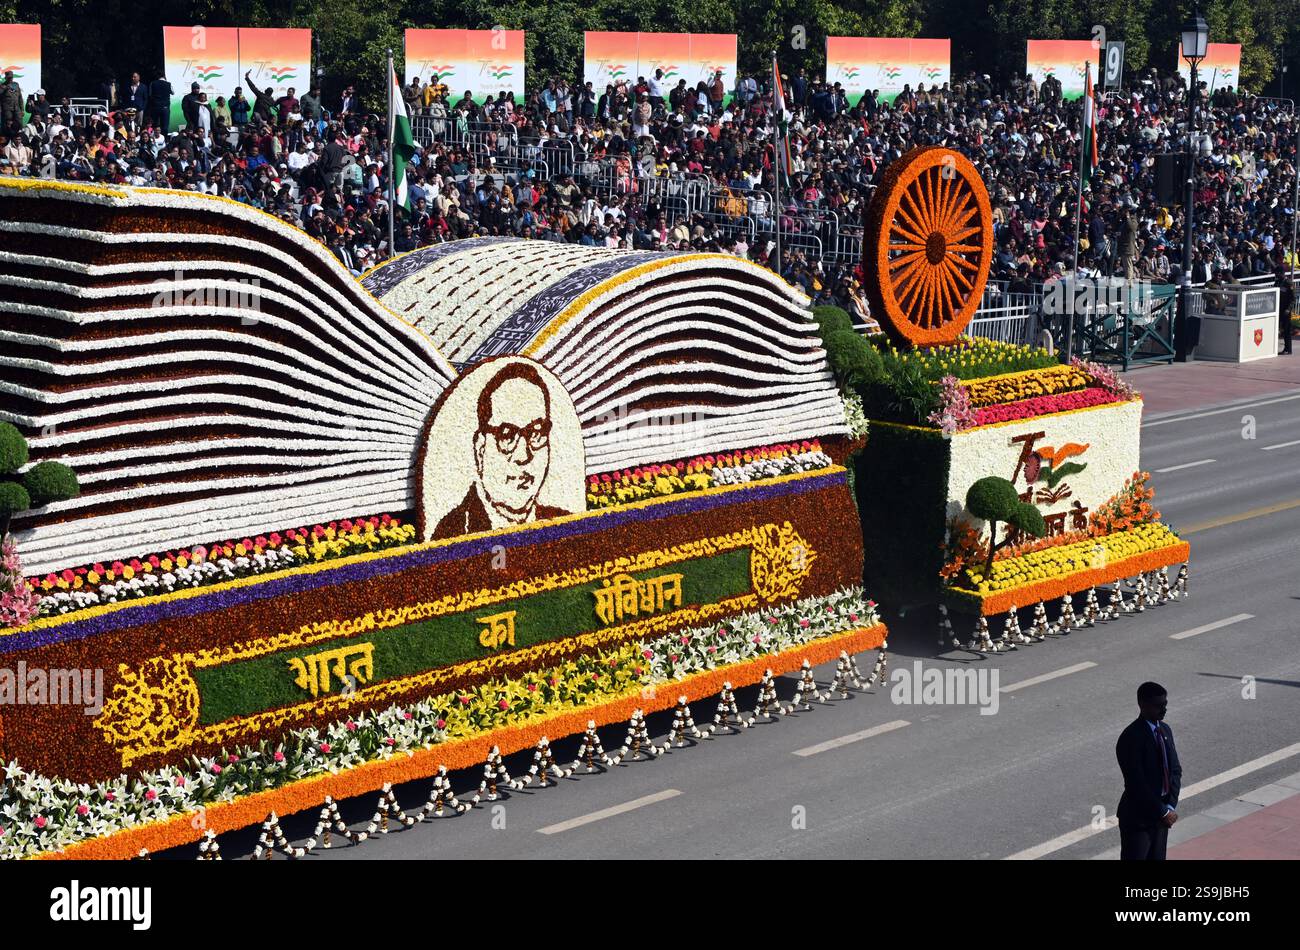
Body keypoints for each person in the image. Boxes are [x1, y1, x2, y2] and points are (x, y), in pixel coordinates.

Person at [433, 362, 570, 538]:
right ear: (480, 449)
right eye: (507, 436)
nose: (523, 456)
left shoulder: (564, 526)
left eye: (536, 433)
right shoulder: (452, 534)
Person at [1116, 682, 1182, 861]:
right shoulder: (1131, 737)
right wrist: (1162, 812)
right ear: (1142, 705)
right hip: (1139, 818)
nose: (1164, 709)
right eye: (1158, 705)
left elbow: (1175, 770)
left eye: (1165, 704)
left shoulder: (1165, 730)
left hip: (1160, 816)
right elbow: (1136, 783)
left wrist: (1170, 806)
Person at [1278, 266, 1295, 355]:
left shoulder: (1288, 283)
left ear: (1282, 273)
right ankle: (1283, 348)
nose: (1276, 276)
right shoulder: (1278, 282)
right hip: (1278, 309)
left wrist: (1288, 309)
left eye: (1278, 274)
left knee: (1287, 330)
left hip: (1286, 311)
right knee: (1280, 329)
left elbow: (1292, 299)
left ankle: (1288, 349)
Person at [1, 71, 23, 138]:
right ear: (6, 78)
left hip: (16, 107)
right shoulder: (2, 85)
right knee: (8, 122)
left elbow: (20, 97)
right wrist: (5, 88)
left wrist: (22, 109)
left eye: (11, 77)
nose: (10, 79)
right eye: (9, 78)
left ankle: (19, 136)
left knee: (19, 121)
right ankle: (7, 136)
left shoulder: (16, 84)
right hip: (7, 108)